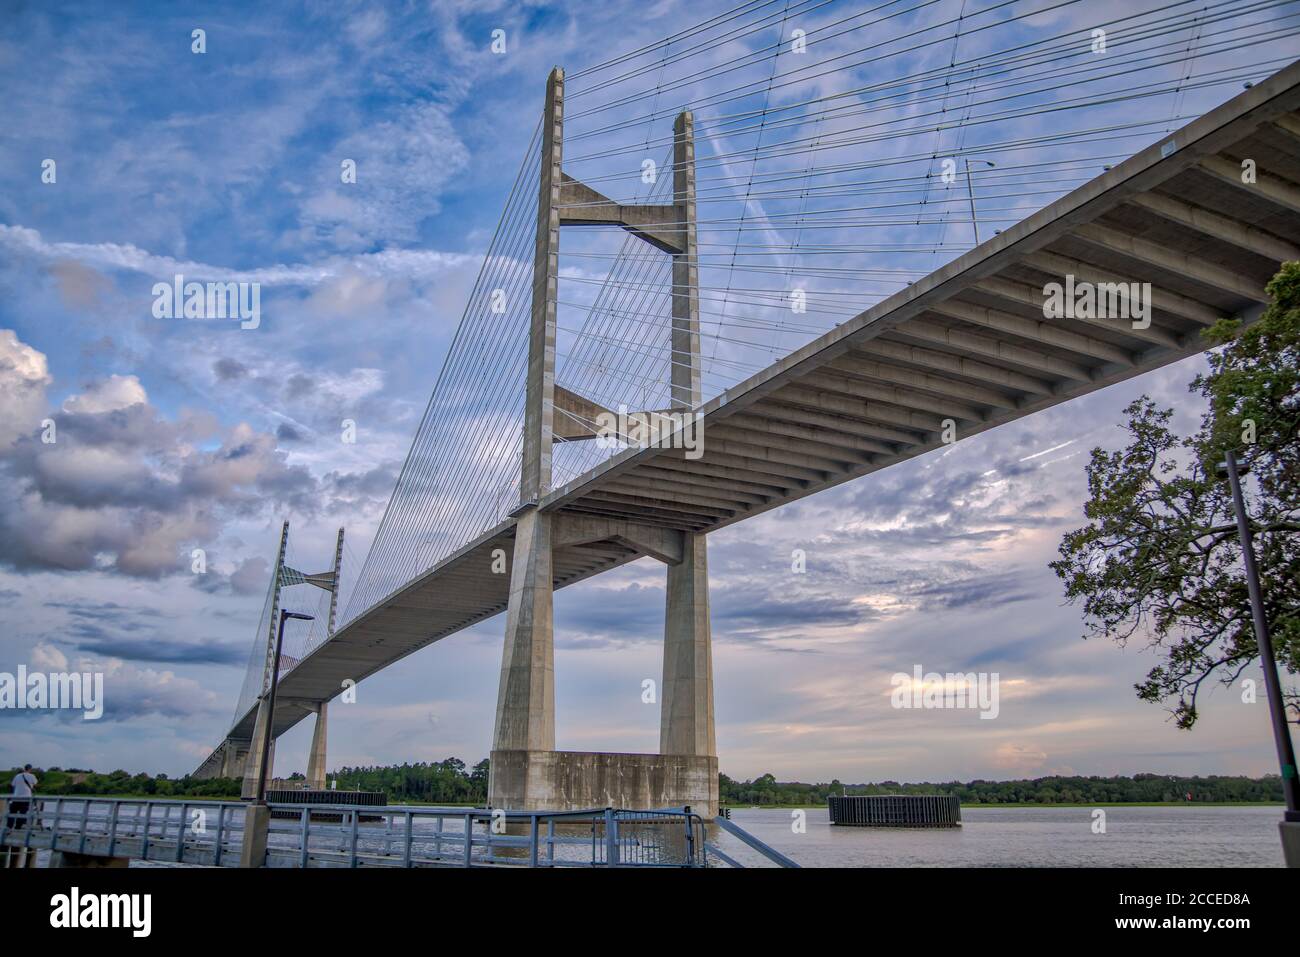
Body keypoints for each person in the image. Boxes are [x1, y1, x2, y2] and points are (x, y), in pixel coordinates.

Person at [7, 765, 37, 830]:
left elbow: (13, 785)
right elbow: (35, 784)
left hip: (16, 797)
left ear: (24, 768)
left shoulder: (17, 776)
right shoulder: (32, 776)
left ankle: (9, 827)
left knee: (12, 812)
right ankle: (18, 827)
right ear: (30, 769)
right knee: (22, 813)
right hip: (26, 798)